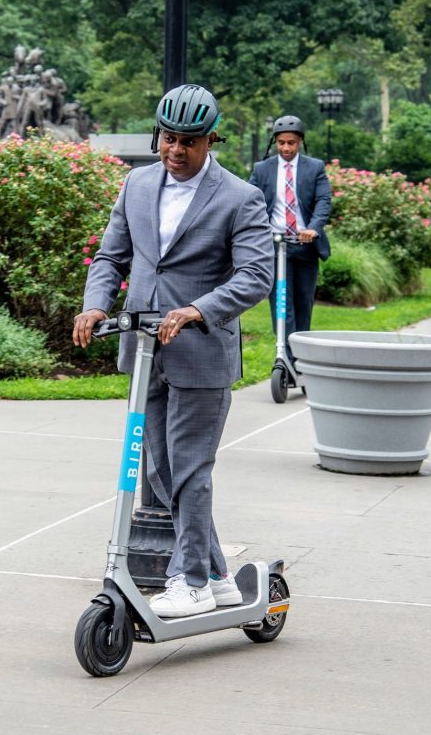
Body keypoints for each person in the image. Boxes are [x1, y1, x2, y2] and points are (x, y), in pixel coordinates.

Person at [73, 84, 273, 618]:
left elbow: (256, 275)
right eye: (168, 139)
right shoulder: (137, 184)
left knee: (189, 468)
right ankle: (218, 577)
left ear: (210, 140)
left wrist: (198, 310)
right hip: (144, 350)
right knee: (161, 472)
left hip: (200, 352)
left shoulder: (239, 197)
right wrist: (95, 305)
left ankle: (191, 581)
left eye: (188, 142)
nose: (176, 151)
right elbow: (110, 257)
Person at [248, 115, 331, 364]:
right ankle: (285, 356)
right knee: (282, 304)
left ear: (300, 142)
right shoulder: (262, 169)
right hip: (276, 246)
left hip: (305, 245)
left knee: (303, 304)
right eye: (281, 142)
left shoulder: (314, 167)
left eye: (291, 143)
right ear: (275, 142)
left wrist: (313, 228)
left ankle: (302, 357)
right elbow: (251, 202)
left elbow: (323, 200)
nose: (286, 148)